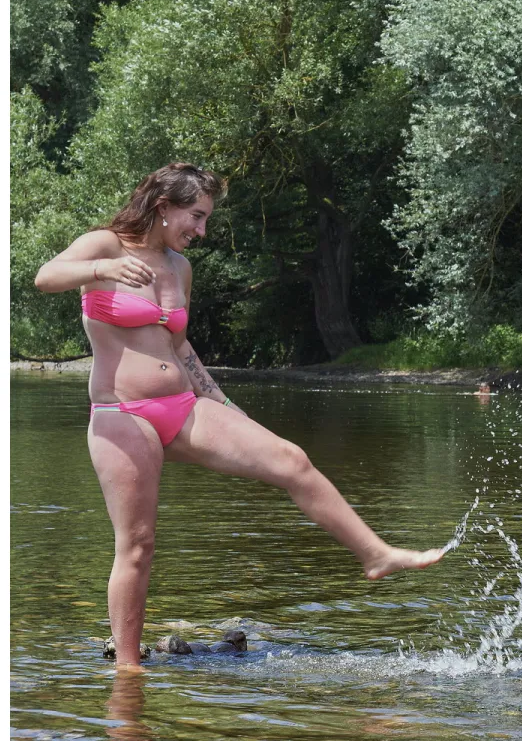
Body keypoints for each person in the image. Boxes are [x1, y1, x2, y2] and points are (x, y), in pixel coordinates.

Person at [33, 162, 444, 668]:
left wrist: (225, 405)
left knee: (291, 460)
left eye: (206, 219)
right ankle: (128, 670)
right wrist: (102, 270)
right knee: (138, 543)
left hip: (183, 406)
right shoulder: (106, 245)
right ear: (164, 206)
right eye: (197, 216)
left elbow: (179, 347)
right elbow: (45, 277)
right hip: (122, 412)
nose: (202, 230)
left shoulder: (180, 268)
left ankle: (376, 554)